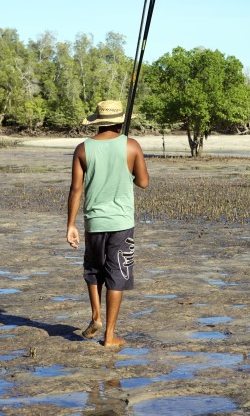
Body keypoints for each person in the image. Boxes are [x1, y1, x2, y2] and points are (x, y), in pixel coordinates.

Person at [66, 100, 149, 347]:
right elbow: (143, 182)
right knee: (117, 274)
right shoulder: (131, 146)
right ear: (121, 121)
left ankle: (96, 316)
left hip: (94, 221)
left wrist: (71, 224)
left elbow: (75, 189)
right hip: (122, 222)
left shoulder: (82, 149)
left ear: (98, 122)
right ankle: (110, 335)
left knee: (93, 270)